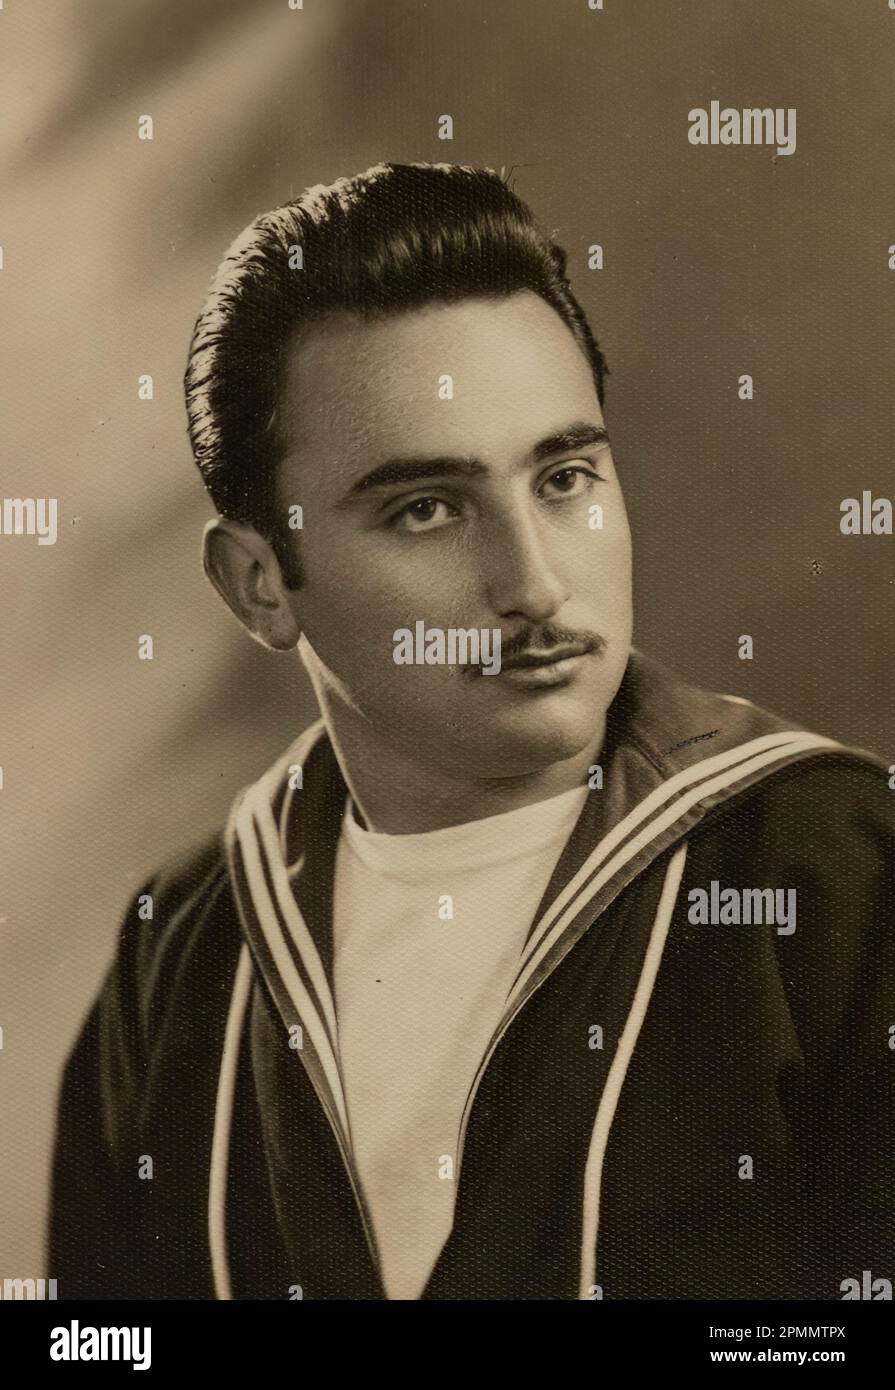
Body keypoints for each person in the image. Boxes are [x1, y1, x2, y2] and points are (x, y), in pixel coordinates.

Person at [48, 162, 895, 1301]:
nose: (535, 583)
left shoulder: (835, 875)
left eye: (565, 475)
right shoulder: (185, 952)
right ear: (259, 584)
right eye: (427, 508)